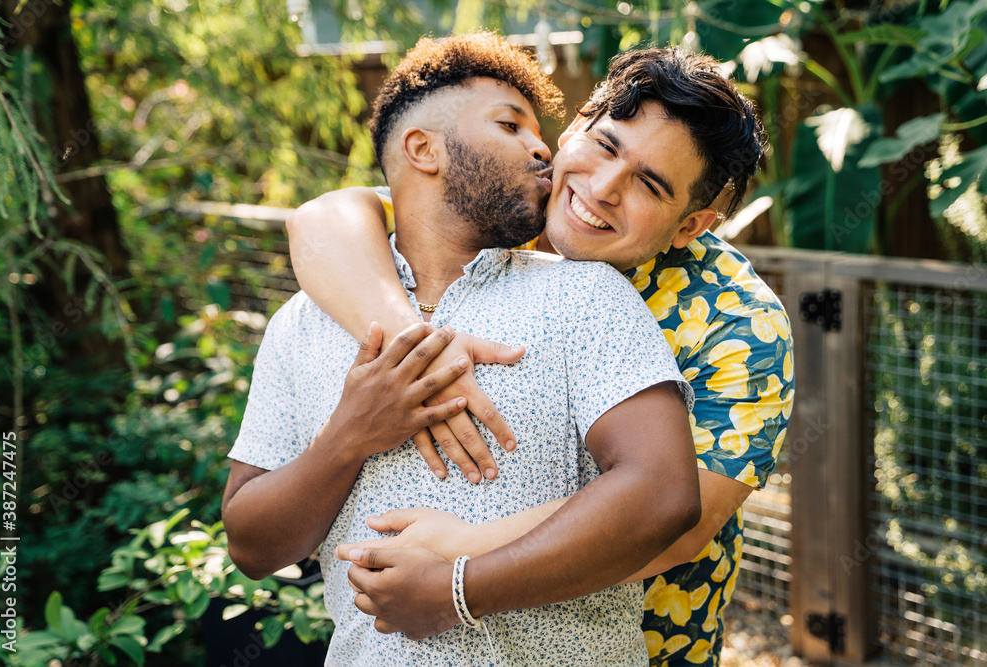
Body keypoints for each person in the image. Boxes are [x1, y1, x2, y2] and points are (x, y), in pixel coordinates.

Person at [286, 40, 795, 666]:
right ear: (578, 123)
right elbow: (324, 221)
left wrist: (463, 562)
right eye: (606, 146)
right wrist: (417, 351)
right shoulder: (506, 203)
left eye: (650, 184)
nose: (603, 189)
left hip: (651, 642)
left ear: (691, 225)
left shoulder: (740, 324)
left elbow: (679, 523)